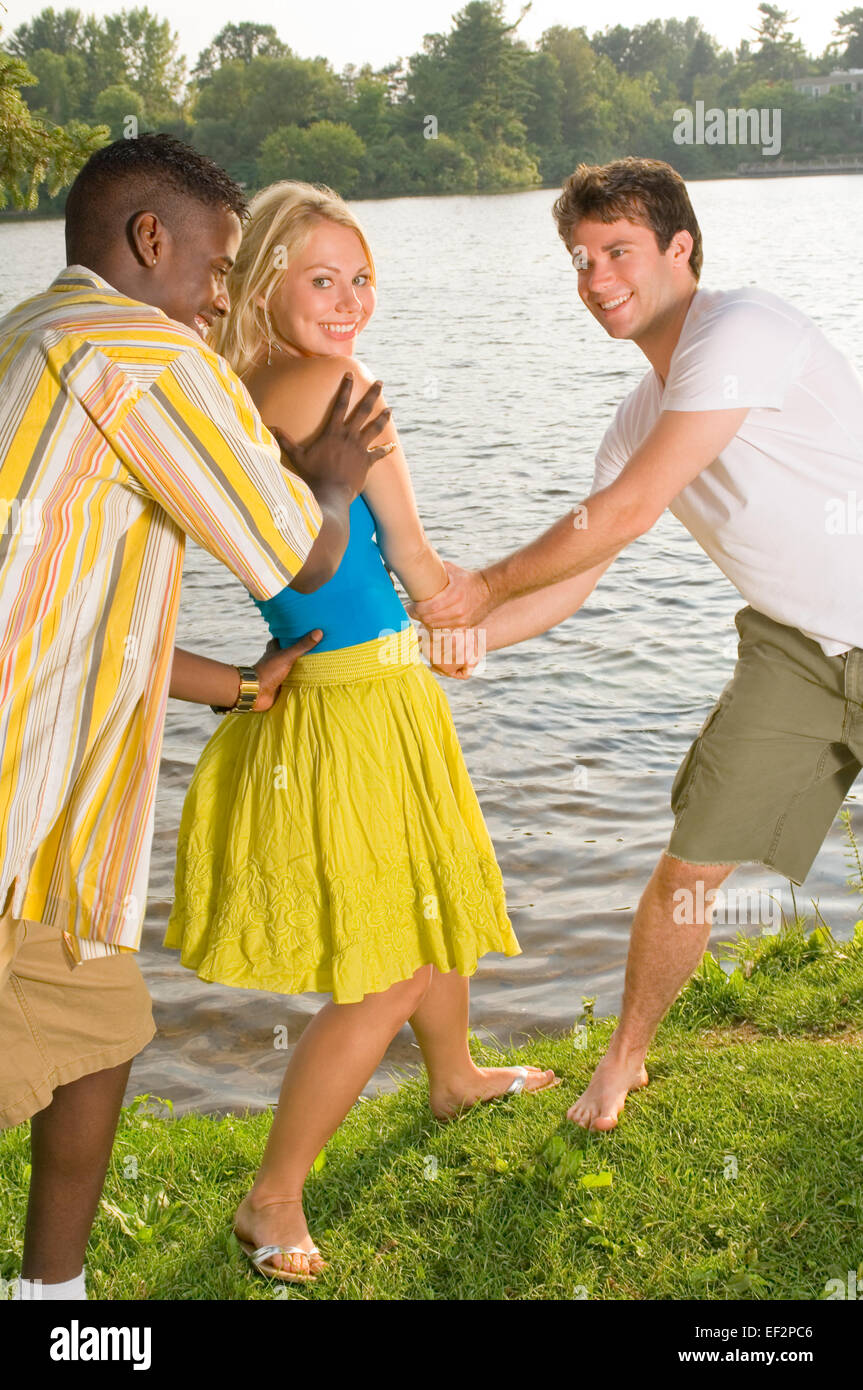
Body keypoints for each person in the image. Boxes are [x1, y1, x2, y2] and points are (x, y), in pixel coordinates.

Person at [0, 133, 390, 1301]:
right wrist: (327, 474)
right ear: (147, 241)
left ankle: (53, 1303)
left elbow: (65, 601)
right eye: (218, 268)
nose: (222, 297)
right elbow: (297, 555)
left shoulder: (26, 332)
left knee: (103, 1031)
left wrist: (230, 681)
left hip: (50, 796)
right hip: (18, 795)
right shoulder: (143, 352)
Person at [414, 156, 863, 1132]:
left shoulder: (740, 330)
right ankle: (621, 1064)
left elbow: (623, 512)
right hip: (797, 652)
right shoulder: (633, 418)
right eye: (578, 260)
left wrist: (481, 581)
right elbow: (578, 580)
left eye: (615, 250)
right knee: (690, 864)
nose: (595, 279)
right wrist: (458, 639)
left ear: (678, 248)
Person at [164, 180, 559, 1283]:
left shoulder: (233, 387)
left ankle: (453, 1072)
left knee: (422, 891)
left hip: (332, 687)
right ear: (264, 282)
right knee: (386, 957)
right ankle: (270, 1195)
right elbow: (418, 566)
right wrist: (527, 579)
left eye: (360, 277)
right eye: (319, 278)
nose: (348, 303)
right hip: (359, 700)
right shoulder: (340, 381)